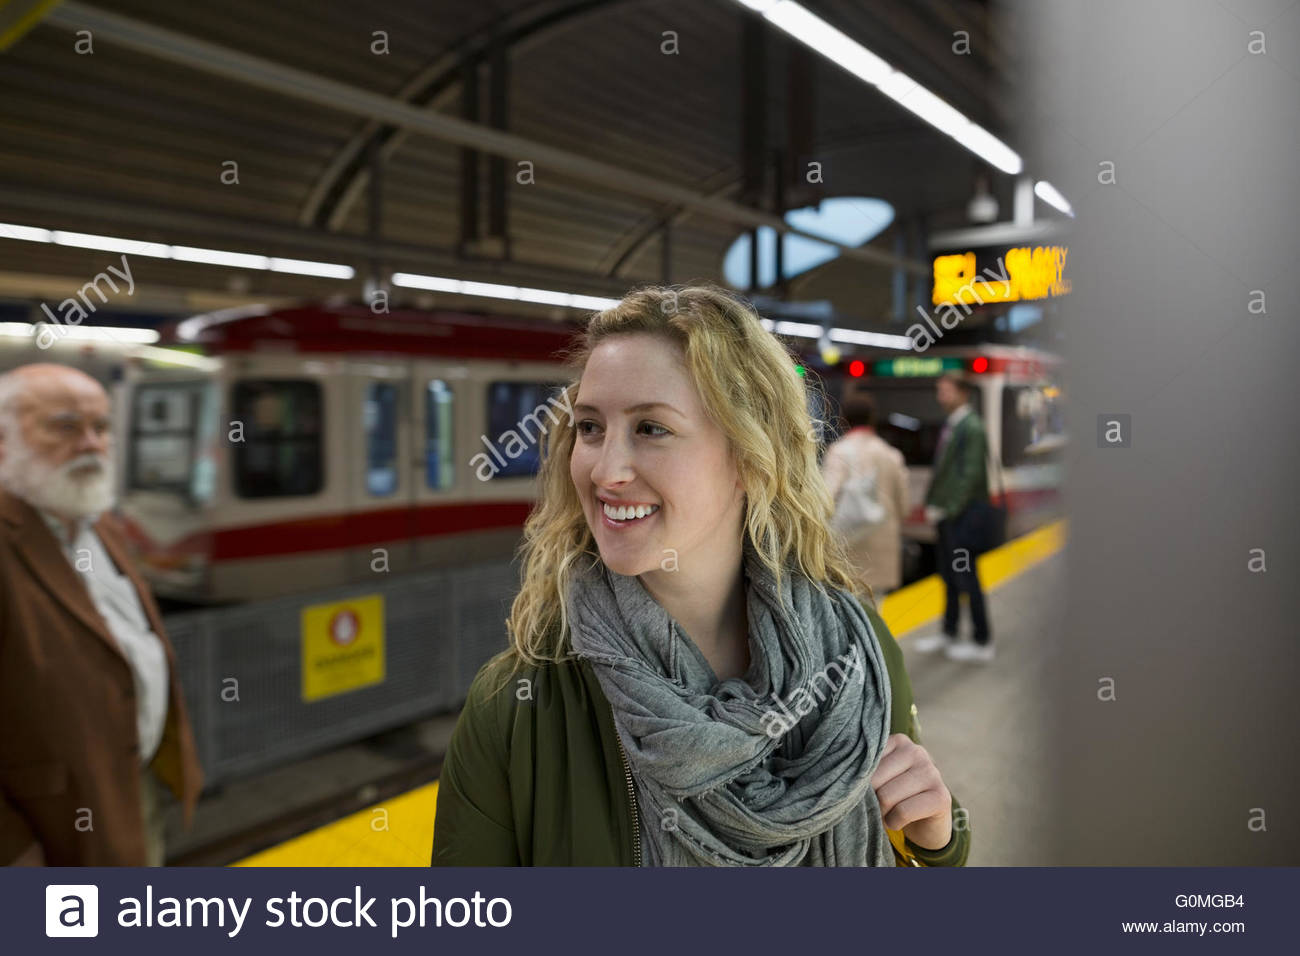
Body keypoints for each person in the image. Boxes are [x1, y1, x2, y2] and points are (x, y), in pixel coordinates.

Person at [431, 286, 969, 867]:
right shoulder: (517, 708)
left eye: (651, 429)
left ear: (748, 455)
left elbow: (913, 849)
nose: (606, 470)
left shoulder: (858, 657)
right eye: (590, 427)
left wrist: (936, 840)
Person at [0, 363, 203, 866]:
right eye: (65, 426)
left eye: (101, 428)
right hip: (50, 833)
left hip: (132, 790)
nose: (91, 443)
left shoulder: (99, 524)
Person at [913, 372, 994, 662]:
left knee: (967, 577)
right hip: (950, 516)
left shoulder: (971, 427)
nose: (940, 397)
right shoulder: (955, 424)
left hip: (963, 516)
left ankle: (982, 640)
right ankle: (948, 631)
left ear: (962, 393)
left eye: (945, 391)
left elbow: (970, 475)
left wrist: (949, 507)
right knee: (948, 575)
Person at [822, 394, 909, 595]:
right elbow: (903, 508)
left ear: (844, 419)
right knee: (877, 614)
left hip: (848, 553)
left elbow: (826, 499)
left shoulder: (839, 452)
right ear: (872, 419)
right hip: (883, 555)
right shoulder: (892, 455)